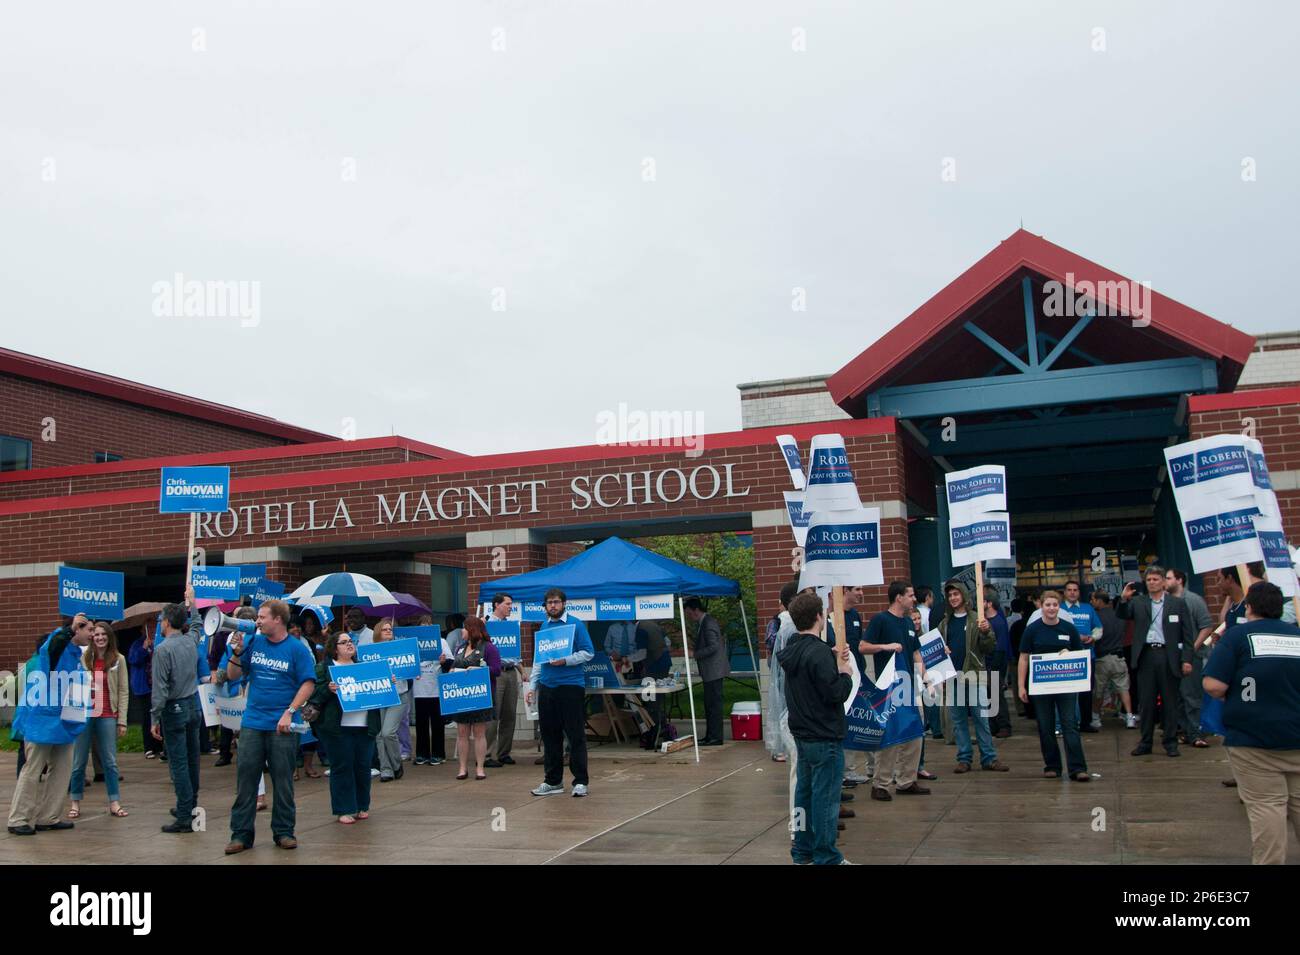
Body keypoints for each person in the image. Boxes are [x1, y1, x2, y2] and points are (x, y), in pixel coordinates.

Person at [1203, 582, 1300, 864]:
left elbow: (1213, 685)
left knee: (1267, 808)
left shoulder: (1237, 637)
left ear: (1249, 607)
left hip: (1252, 741)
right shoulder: (1297, 637)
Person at [223, 597, 317, 853]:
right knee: (246, 780)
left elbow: (308, 684)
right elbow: (233, 676)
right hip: (253, 721)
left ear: (278, 619)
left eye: (262, 617)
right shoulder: (253, 642)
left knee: (283, 779)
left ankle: (284, 831)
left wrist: (289, 712)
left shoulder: (296, 649)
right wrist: (238, 652)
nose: (258, 621)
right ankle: (241, 834)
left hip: (282, 725)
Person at [778, 591, 855, 865]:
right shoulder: (818, 652)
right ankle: (827, 856)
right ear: (819, 617)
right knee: (825, 800)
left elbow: (812, 678)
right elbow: (835, 692)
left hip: (802, 734)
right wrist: (845, 673)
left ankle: (802, 851)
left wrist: (831, 657)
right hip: (824, 735)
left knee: (804, 795)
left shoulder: (792, 650)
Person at [7, 613, 93, 836]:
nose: (92, 634)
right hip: (42, 720)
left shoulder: (76, 656)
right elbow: (53, 647)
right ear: (77, 630)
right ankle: (19, 819)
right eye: (89, 629)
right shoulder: (55, 649)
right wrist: (70, 629)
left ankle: (49, 816)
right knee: (32, 769)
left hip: (63, 722)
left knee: (62, 769)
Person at [1116, 566, 1195, 757]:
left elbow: (1187, 634)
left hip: (1169, 655)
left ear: (1163, 581)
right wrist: (1123, 599)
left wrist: (1186, 659)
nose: (1152, 582)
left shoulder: (1177, 604)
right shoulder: (1138, 602)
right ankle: (1145, 742)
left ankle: (1170, 742)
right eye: (1149, 579)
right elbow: (1122, 614)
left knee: (1169, 702)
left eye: (1155, 579)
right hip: (1146, 655)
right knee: (1146, 702)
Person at [860, 581, 928, 800]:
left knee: (915, 733)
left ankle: (907, 780)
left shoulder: (908, 622)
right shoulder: (881, 620)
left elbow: (916, 652)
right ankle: (880, 783)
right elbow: (863, 646)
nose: (914, 599)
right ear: (899, 597)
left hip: (909, 686)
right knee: (889, 736)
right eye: (910, 595)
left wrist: (926, 676)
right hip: (889, 689)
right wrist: (885, 646)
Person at [932, 583, 1007, 773]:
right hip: (953, 676)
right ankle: (964, 758)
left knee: (981, 717)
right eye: (950, 595)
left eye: (956, 594)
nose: (953, 598)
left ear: (964, 596)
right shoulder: (945, 623)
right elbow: (936, 649)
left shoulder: (977, 619)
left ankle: (989, 757)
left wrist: (986, 632)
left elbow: (989, 647)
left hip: (974, 674)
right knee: (958, 721)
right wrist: (942, 651)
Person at [308, 630, 381, 824]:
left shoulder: (363, 667)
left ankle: (361, 805)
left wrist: (385, 684)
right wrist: (328, 689)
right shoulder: (324, 669)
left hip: (364, 726)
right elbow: (314, 695)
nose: (349, 644)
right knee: (342, 767)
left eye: (350, 641)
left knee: (363, 767)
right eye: (343, 642)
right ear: (334, 648)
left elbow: (378, 692)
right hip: (338, 728)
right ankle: (344, 809)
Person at [527, 588, 595, 797]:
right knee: (550, 737)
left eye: (556, 602)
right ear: (545, 606)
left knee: (575, 736)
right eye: (549, 603)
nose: (553, 606)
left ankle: (581, 781)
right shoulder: (545, 626)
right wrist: (532, 686)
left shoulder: (576, 624)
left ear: (564, 604)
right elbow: (539, 659)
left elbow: (588, 653)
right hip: (547, 687)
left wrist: (566, 660)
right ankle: (553, 781)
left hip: (570, 686)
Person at [1017, 590, 1089, 781]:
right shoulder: (1032, 629)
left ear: (1059, 606)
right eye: (1047, 605)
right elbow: (1023, 658)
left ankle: (1077, 768)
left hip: (1066, 686)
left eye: (1055, 605)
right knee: (1045, 726)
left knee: (1070, 725)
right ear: (1041, 606)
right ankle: (1052, 766)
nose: (1051, 608)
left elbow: (1078, 655)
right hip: (1041, 687)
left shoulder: (1068, 628)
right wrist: (1021, 686)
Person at [152, 591, 205, 833]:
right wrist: (192, 604)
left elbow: (160, 688)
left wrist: (154, 716)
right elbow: (197, 624)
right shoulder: (190, 640)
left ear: (165, 622)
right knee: (192, 760)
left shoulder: (163, 650)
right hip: (194, 704)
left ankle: (185, 816)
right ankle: (190, 805)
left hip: (174, 708)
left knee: (179, 764)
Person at [67, 621, 129, 820]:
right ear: (92, 637)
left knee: (110, 762)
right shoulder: (84, 658)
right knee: (79, 761)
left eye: (104, 634)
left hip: (107, 715)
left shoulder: (119, 659)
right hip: (85, 714)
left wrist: (123, 720)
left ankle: (114, 801)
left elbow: (123, 690)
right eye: (97, 634)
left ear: (109, 637)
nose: (100, 637)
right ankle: (75, 802)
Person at [442, 616, 501, 780]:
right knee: (462, 732)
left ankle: (480, 768)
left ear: (472, 630)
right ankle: (462, 768)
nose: (461, 631)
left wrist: (479, 670)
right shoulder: (460, 648)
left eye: (464, 628)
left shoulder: (489, 648)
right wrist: (450, 672)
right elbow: (454, 666)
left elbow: (497, 670)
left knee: (479, 732)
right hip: (462, 697)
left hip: (480, 696)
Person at [1165, 568, 1215, 748]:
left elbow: (1207, 626)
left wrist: (1191, 648)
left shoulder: (1194, 600)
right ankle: (1185, 731)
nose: (1165, 581)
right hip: (1171, 656)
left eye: (1168, 578)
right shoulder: (1165, 601)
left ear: (1179, 580)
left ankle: (1197, 733)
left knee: (1191, 696)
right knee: (1177, 697)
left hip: (1191, 656)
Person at [370, 618, 411, 782]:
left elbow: (409, 669)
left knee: (388, 732)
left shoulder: (400, 649)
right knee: (379, 735)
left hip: (398, 695)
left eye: (390, 629)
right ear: (378, 632)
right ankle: (386, 769)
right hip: (380, 696)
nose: (389, 631)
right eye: (385, 629)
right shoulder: (371, 652)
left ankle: (396, 764)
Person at [685, 598, 729, 746]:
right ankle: (711, 735)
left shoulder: (708, 623)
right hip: (712, 670)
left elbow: (713, 646)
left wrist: (695, 654)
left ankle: (715, 737)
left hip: (714, 670)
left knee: (713, 705)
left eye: (690, 614)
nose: (689, 617)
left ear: (696, 610)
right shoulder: (705, 622)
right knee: (710, 704)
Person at [484, 594, 522, 768]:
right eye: (507, 604)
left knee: (509, 714)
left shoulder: (510, 626)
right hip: (495, 674)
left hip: (511, 671)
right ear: (496, 605)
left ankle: (504, 753)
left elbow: (515, 653)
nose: (510, 607)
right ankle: (486, 754)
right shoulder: (486, 625)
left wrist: (523, 671)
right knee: (493, 714)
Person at [1060, 582, 1103, 732]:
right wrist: (1076, 638)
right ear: (1064, 592)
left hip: (1087, 655)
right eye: (1069, 590)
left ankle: (1085, 722)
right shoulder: (1058, 609)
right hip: (1066, 656)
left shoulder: (1088, 608)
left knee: (1086, 691)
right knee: (1067, 691)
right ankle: (1068, 722)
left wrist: (1093, 637)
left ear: (1079, 592)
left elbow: (1098, 628)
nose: (1072, 593)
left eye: (1075, 590)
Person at [1090, 591, 1137, 728]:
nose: (1092, 602)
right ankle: (1129, 717)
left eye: (1093, 599)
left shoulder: (1096, 616)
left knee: (1098, 690)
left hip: (1102, 658)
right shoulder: (1119, 615)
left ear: (1099, 600)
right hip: (1119, 657)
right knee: (1123, 689)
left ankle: (1096, 718)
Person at [412, 621, 450, 765]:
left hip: (436, 688)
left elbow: (451, 662)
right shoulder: (412, 644)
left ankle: (439, 753)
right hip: (419, 689)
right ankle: (422, 754)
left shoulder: (441, 642)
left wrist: (442, 662)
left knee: (437, 723)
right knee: (420, 723)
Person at [126, 626, 163, 759]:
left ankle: (160, 745)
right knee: (147, 717)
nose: (152, 631)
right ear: (143, 630)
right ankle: (149, 747)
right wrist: (143, 648)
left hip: (157, 685)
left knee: (160, 716)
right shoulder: (137, 644)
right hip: (144, 685)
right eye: (149, 628)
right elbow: (133, 660)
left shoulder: (160, 641)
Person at [985, 596, 1014, 738]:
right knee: (989, 696)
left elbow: (1001, 646)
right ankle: (994, 725)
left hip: (995, 663)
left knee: (997, 696)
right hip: (987, 663)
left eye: (983, 601)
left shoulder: (998, 622)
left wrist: (994, 666)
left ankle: (1003, 725)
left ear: (989, 603)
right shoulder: (987, 621)